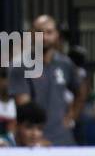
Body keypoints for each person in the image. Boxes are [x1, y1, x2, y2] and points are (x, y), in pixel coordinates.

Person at [7, 14, 85, 146]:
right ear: (31, 34)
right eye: (39, 32)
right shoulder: (19, 66)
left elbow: (81, 90)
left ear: (57, 35)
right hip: (35, 142)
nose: (44, 37)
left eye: (49, 32)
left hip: (65, 139)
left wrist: (72, 116)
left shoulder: (65, 63)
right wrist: (35, 136)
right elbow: (25, 109)